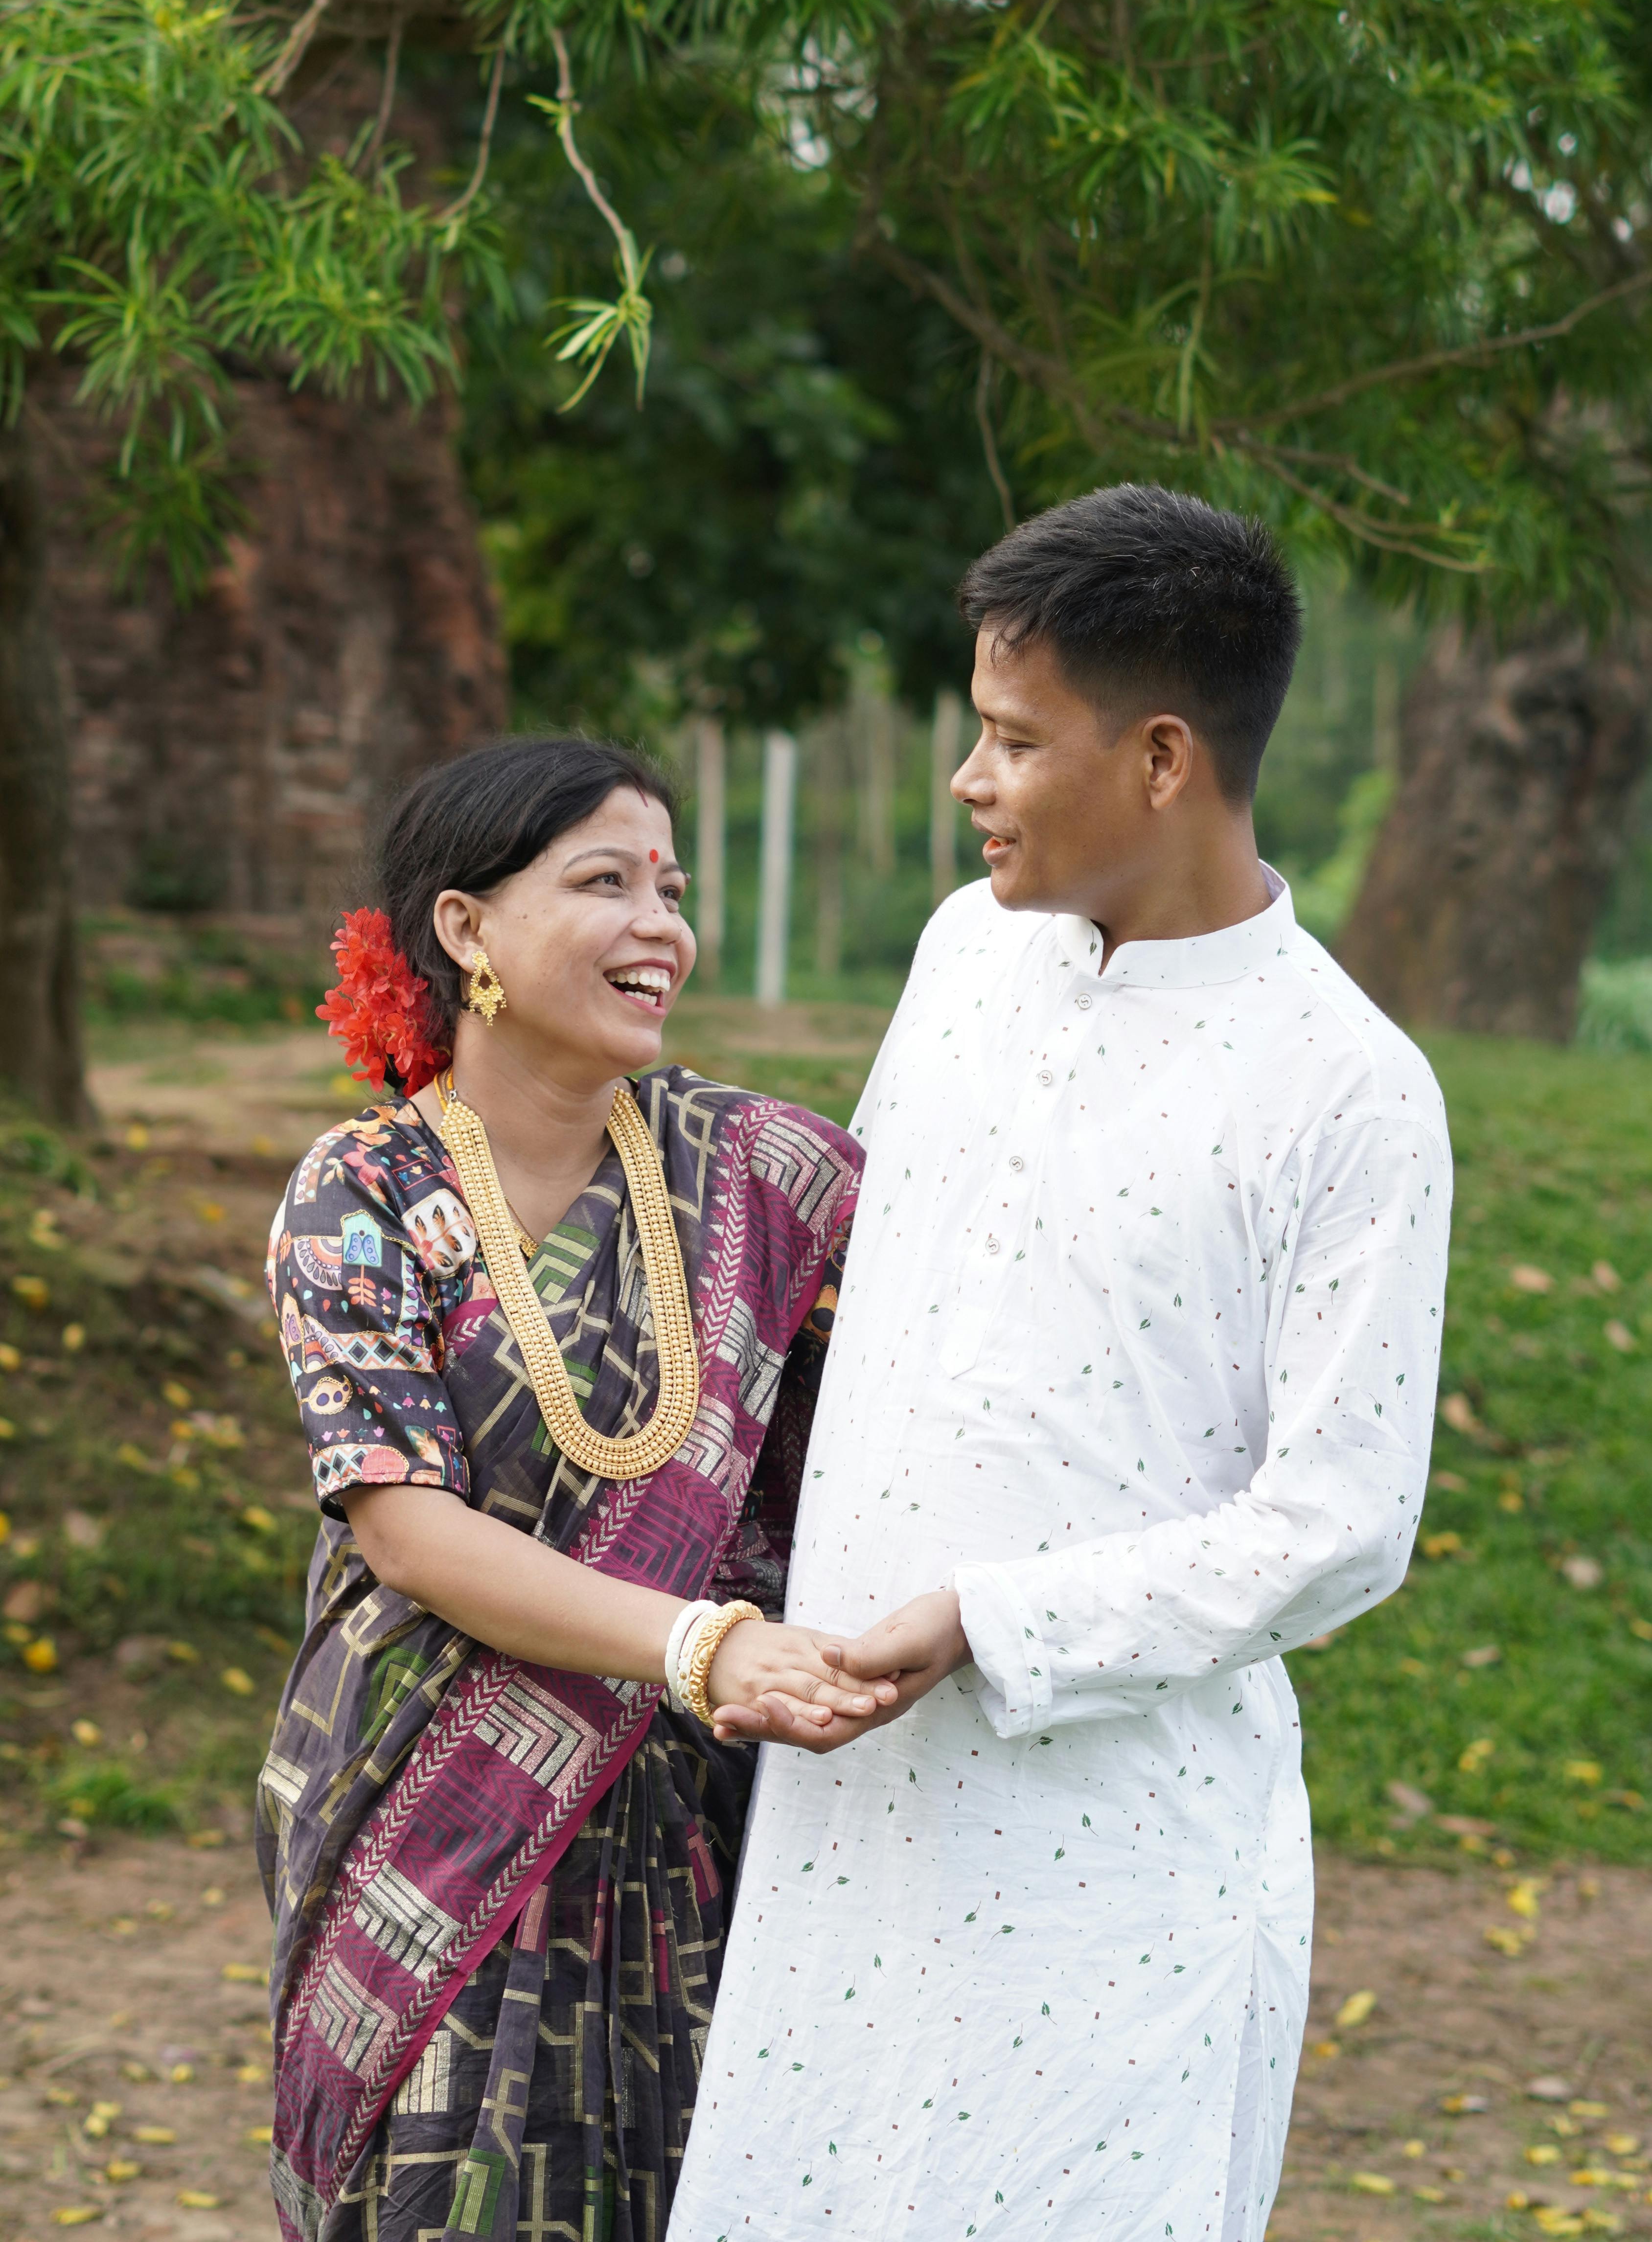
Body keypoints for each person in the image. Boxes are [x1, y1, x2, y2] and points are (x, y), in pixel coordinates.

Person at [672, 484, 1452, 2242]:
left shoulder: (1352, 1088)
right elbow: (849, 1309)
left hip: (1113, 1854)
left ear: (1164, 760)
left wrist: (992, 1621)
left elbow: (1340, 1521)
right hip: (849, 1805)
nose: (971, 778)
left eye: (1014, 741)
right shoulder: (962, 959)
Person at [256, 736, 890, 2242]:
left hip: (704, 1800)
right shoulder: (361, 1195)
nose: (661, 925)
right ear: (465, 930)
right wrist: (697, 1644)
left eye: (669, 886)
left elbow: (936, 1398)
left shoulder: (771, 1175)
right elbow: (406, 1532)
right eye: (604, 882)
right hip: (434, 1788)